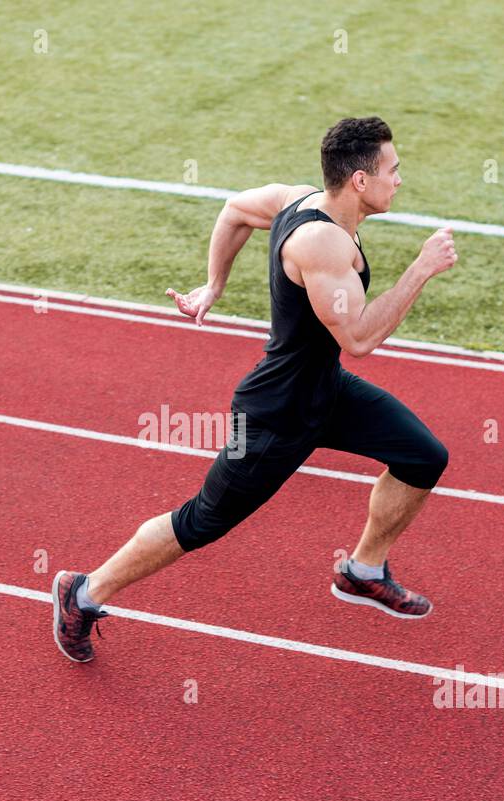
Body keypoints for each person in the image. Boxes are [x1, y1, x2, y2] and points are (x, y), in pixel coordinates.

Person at [52, 116, 457, 663]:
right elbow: (359, 338)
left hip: (324, 391)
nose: (399, 180)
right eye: (393, 170)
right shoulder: (320, 243)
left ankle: (362, 569)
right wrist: (421, 270)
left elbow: (235, 209)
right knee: (200, 521)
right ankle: (82, 593)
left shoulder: (302, 200)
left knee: (422, 457)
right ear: (360, 181)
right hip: (277, 414)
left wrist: (213, 285)